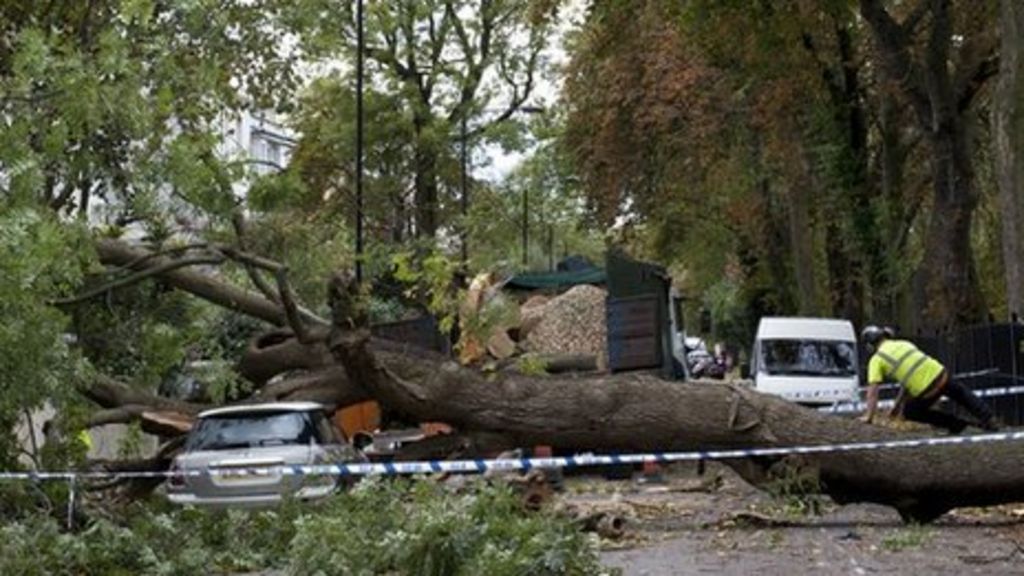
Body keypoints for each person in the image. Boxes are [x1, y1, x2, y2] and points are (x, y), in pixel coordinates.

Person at [860, 325, 999, 433]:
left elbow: (873, 392)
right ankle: (988, 418)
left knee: (911, 412)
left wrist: (869, 416)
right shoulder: (903, 343)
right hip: (940, 373)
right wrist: (896, 406)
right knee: (960, 393)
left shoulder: (877, 360)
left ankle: (955, 425)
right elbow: (907, 381)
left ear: (870, 345)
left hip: (926, 390)